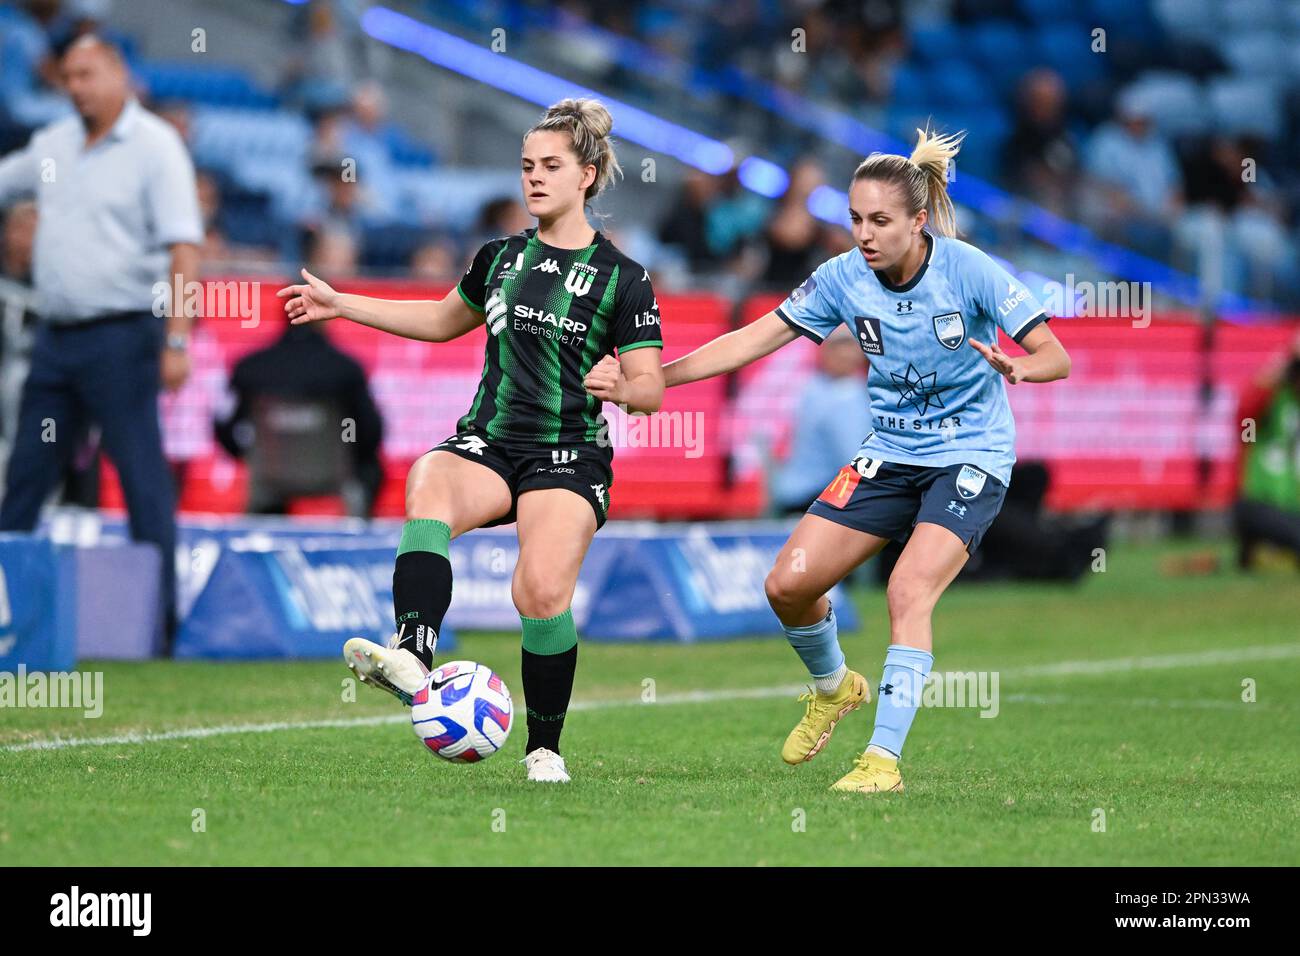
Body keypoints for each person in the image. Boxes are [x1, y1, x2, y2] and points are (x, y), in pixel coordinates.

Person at [659, 128, 1070, 794]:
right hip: (890, 452)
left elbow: (1058, 355)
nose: (865, 233)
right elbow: (751, 339)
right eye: (854, 219)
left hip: (969, 455)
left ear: (917, 220)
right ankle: (833, 686)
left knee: (907, 591)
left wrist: (1020, 368)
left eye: (880, 220)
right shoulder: (842, 278)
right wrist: (658, 380)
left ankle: (882, 761)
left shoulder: (969, 268)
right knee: (786, 586)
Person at [278, 98, 664, 783]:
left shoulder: (623, 279)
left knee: (539, 593)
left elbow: (652, 387)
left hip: (568, 455)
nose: (534, 178)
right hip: (489, 441)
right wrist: (342, 303)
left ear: (589, 175)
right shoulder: (499, 258)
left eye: (551, 165)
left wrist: (623, 387)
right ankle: (414, 653)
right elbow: (436, 320)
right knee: (428, 477)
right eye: (526, 166)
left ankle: (544, 748)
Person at [0, 35, 201, 651]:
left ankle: (160, 629)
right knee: (27, 477)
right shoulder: (53, 144)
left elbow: (185, 248)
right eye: (68, 76)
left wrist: (177, 338)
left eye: (87, 73)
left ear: (118, 72)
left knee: (141, 477)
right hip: (57, 341)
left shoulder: (155, 146)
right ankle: (7, 614)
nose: (77, 86)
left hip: (124, 336)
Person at [768, 325, 869, 515]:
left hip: (791, 496)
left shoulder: (811, 387)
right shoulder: (848, 393)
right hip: (815, 500)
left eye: (851, 346)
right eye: (839, 347)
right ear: (825, 351)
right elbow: (854, 461)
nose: (846, 354)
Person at [1234, 332, 1300, 569]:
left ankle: (1255, 554)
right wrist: (1272, 376)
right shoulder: (1272, 402)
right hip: (1260, 501)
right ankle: (1258, 550)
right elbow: (1244, 419)